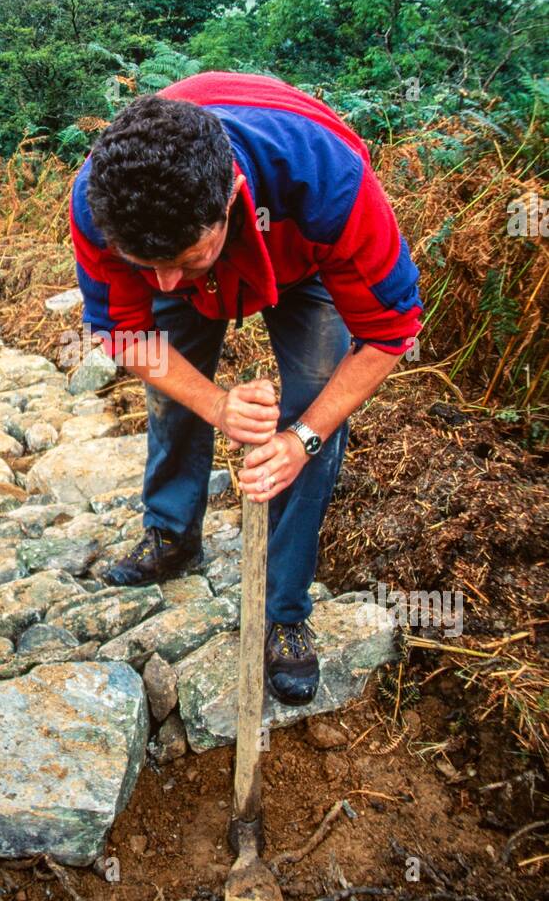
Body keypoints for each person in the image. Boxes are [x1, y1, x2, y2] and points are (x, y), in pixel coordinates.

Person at [69, 72, 423, 705]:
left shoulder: (327, 178)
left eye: (186, 258)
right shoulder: (103, 199)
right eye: (147, 265)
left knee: (314, 414)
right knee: (173, 391)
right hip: (186, 235)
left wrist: (302, 438)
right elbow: (125, 334)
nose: (167, 282)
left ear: (231, 198)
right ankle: (172, 534)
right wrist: (215, 403)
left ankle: (284, 613)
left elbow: (390, 333)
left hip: (300, 261)